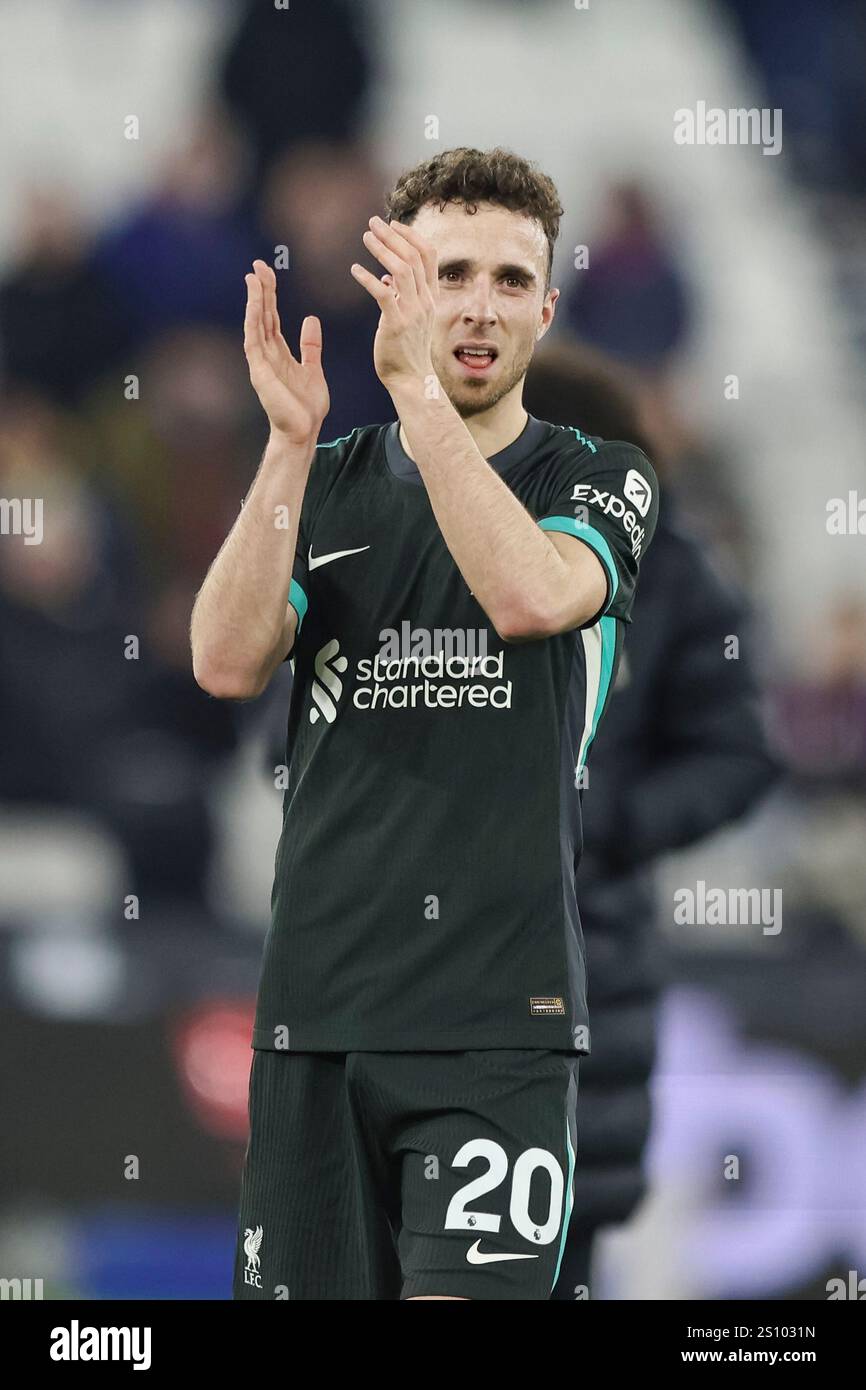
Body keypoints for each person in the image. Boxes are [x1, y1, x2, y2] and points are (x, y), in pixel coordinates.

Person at [191, 147, 659, 1301]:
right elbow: (224, 657)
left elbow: (531, 596)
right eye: (451, 273)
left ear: (546, 309)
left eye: (511, 281)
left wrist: (409, 395)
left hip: (497, 1027)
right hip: (317, 1019)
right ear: (400, 286)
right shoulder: (333, 481)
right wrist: (288, 449)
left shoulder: (599, 476)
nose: (481, 307)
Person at [523, 342, 780, 1298]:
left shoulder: (669, 572)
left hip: (589, 961)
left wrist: (608, 823)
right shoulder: (413, 537)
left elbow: (741, 751)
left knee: (561, 1240)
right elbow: (286, 736)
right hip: (409, 969)